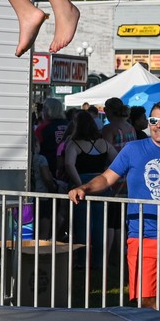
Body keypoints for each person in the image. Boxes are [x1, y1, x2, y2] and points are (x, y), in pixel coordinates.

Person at [69, 101, 160, 313]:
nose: (159, 125)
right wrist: (84, 187)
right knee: (145, 298)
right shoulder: (133, 150)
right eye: (154, 121)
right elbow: (106, 179)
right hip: (142, 234)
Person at [64, 111, 117, 266]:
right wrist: (107, 175)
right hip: (101, 184)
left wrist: (79, 183)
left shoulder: (74, 144)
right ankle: (99, 262)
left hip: (82, 183)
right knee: (100, 225)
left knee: (82, 226)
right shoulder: (104, 144)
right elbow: (117, 161)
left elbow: (68, 164)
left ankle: (82, 261)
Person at [34, 97, 68, 176]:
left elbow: (37, 147)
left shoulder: (42, 127)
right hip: (68, 163)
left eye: (44, 108)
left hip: (48, 164)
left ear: (48, 110)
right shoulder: (69, 124)